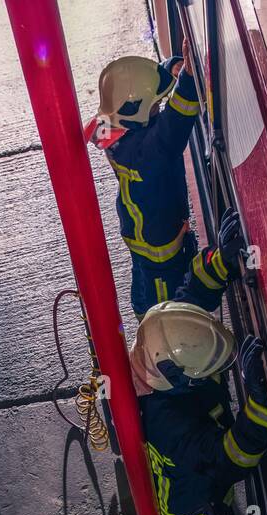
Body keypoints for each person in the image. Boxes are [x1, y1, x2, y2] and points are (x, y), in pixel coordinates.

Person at [130, 211, 267, 515]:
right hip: (193, 507)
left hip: (197, 452)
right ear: (185, 380)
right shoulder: (169, 425)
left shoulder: (164, 342)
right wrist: (260, 403)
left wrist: (221, 259)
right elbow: (233, 458)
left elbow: (191, 295)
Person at [85, 42, 201, 317]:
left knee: (142, 286)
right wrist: (187, 80)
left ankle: (141, 310)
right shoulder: (147, 152)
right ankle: (154, 329)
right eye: (156, 106)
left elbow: (140, 94)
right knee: (164, 307)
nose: (159, 108)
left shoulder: (109, 126)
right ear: (135, 110)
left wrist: (170, 69)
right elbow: (175, 123)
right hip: (161, 247)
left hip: (139, 234)